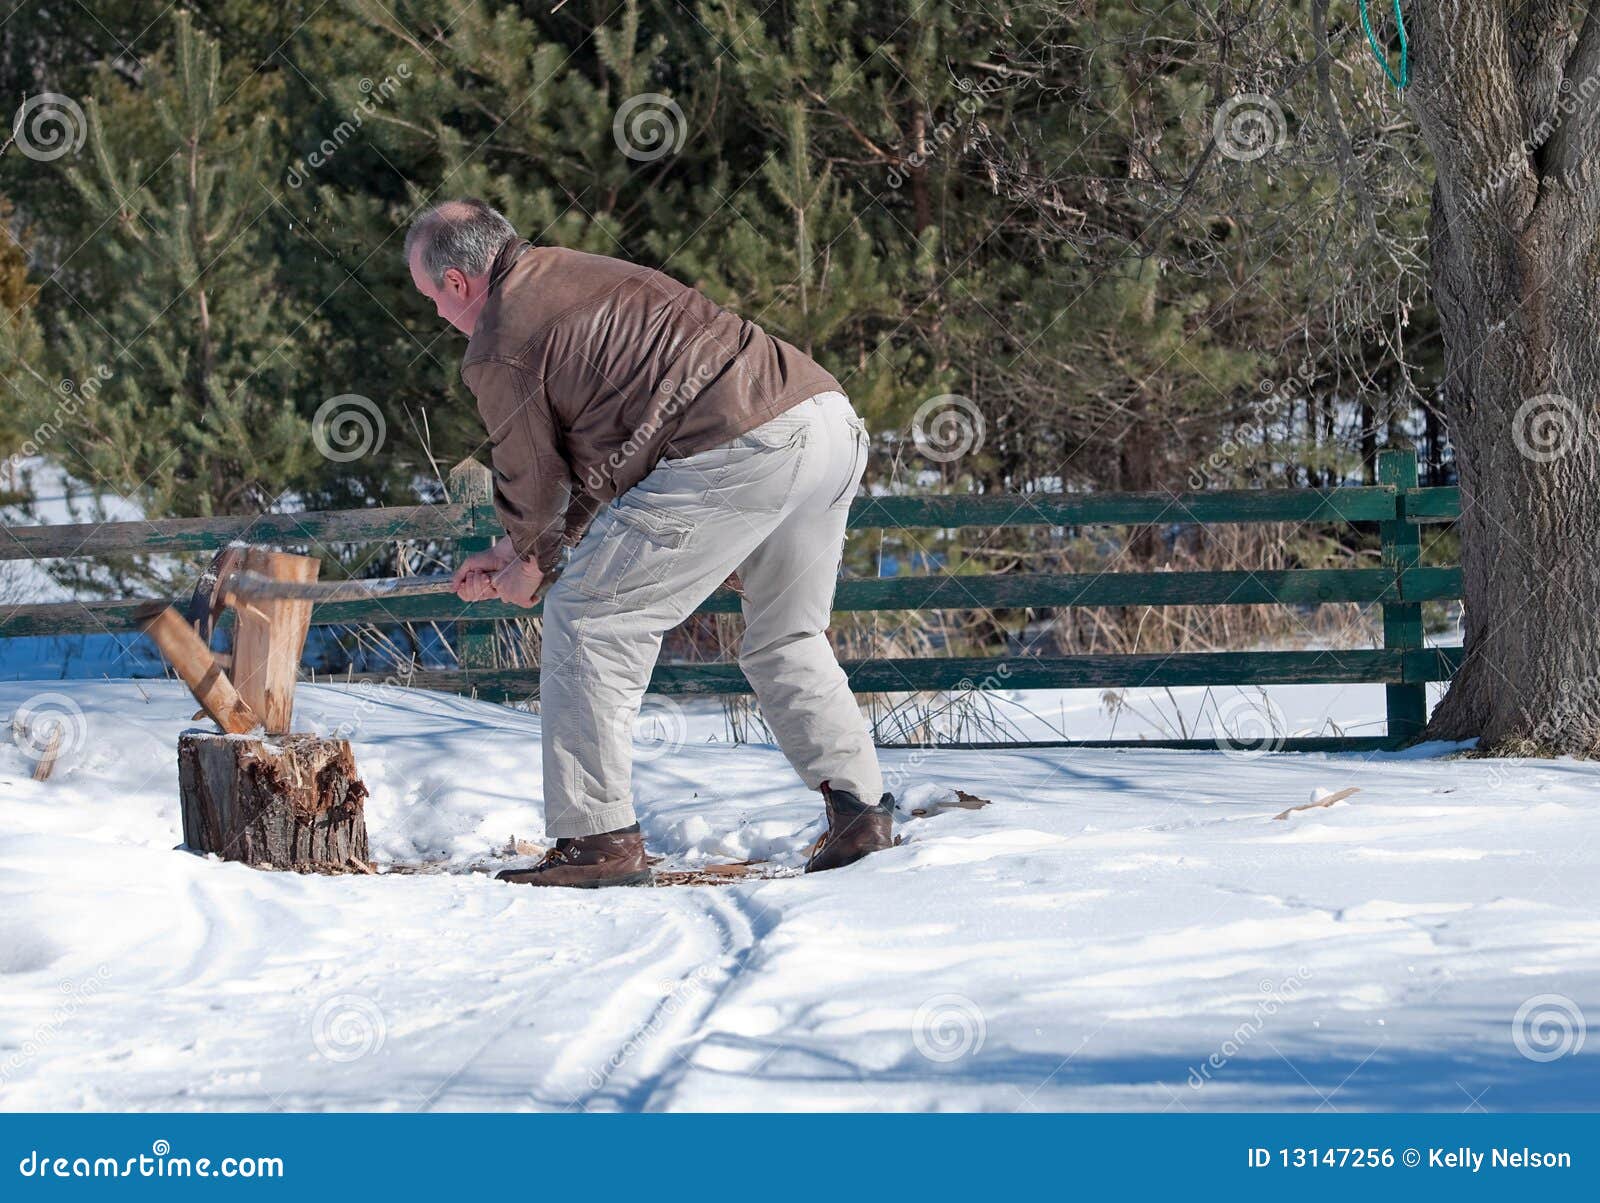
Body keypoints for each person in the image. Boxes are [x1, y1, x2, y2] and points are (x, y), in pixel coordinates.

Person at [405, 198, 892, 887]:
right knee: (786, 636)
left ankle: (596, 838)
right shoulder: (573, 270)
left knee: (589, 619)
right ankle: (861, 813)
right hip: (826, 418)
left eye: (430, 297)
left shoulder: (500, 339)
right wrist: (522, 554)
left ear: (457, 282)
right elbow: (598, 464)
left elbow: (535, 479)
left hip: (737, 440)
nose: (435, 315)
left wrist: (530, 564)